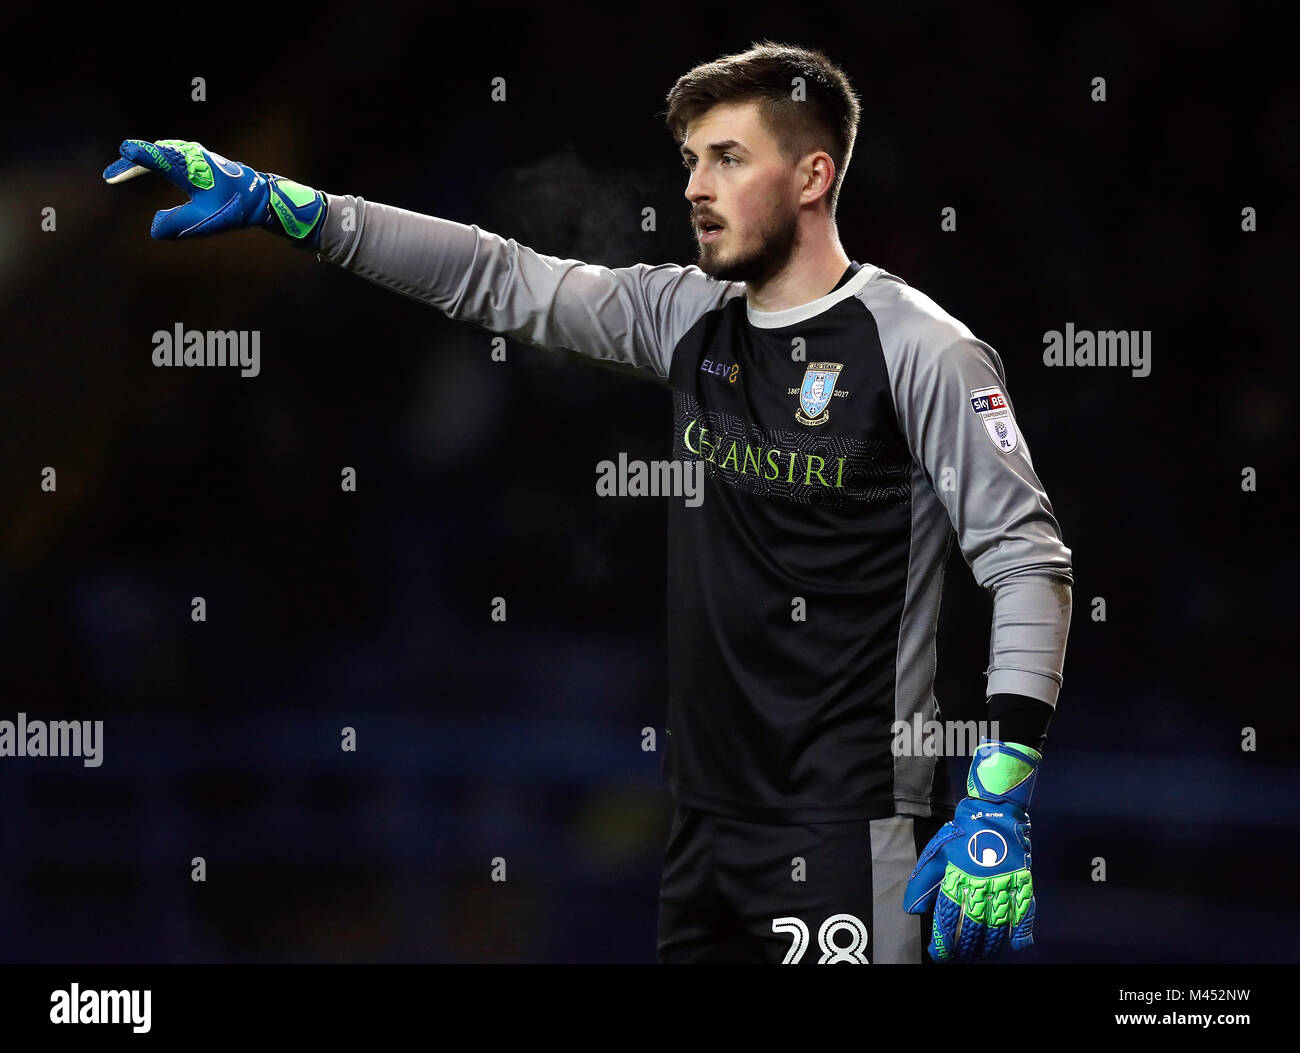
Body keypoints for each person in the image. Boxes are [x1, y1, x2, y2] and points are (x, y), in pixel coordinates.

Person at [104, 40, 1073, 964]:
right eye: (693, 160)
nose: (695, 186)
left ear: (814, 178)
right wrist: (287, 207)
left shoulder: (922, 351)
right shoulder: (685, 317)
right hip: (704, 831)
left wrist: (999, 792)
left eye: (727, 159)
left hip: (852, 830)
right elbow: (493, 275)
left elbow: (1027, 560)